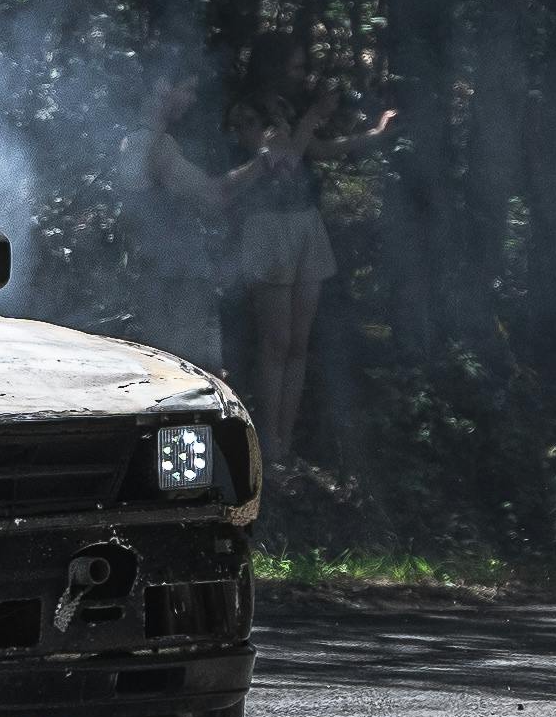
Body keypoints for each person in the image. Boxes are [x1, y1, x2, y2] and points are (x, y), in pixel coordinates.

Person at [140, 70, 390, 469]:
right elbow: (280, 160)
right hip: (267, 231)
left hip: (305, 225)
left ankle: (284, 440)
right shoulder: (243, 126)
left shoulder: (284, 121)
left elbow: (318, 150)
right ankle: (269, 440)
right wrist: (311, 118)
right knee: (276, 341)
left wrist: (375, 134)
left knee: (297, 343)